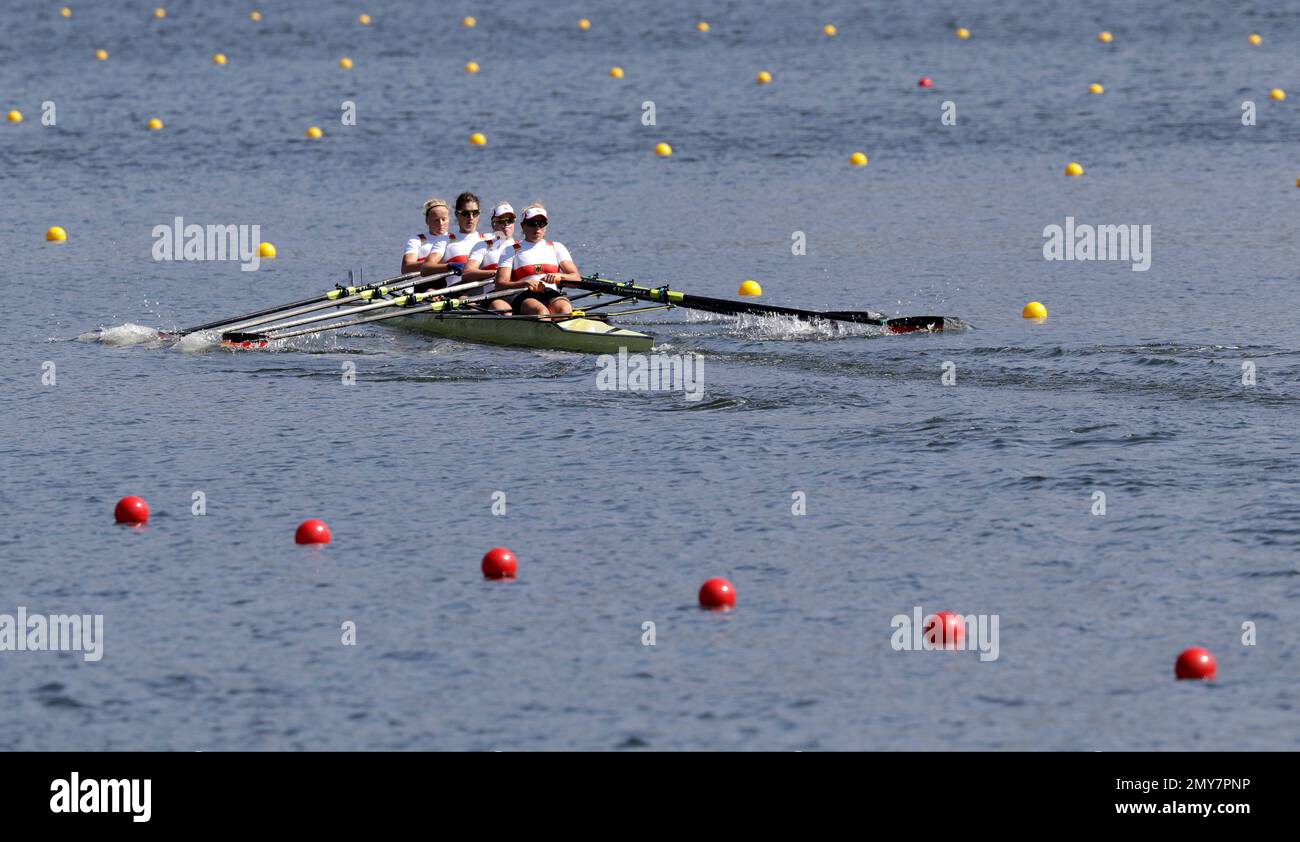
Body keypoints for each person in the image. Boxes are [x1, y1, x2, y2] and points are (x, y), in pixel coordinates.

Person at [492, 204, 581, 317]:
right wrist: (525, 283)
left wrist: (559, 276)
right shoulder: (511, 249)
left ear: (546, 226)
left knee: (564, 309)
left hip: (550, 292)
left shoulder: (556, 247)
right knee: (541, 312)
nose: (537, 228)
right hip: (523, 294)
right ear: (523, 226)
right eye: (532, 223)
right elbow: (500, 285)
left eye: (541, 223)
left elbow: (576, 279)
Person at [461, 202, 518, 312]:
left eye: (509, 221)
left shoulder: (520, 246)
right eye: (501, 221)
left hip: (517, 293)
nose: (506, 224)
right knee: (504, 311)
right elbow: (467, 274)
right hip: (492, 296)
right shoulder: (483, 246)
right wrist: (496, 273)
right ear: (493, 224)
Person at [401, 198, 450, 276]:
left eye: (444, 219)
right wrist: (435, 265)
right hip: (424, 283)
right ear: (427, 221)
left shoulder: (455, 238)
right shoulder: (417, 240)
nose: (441, 223)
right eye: (436, 220)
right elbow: (406, 268)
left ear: (449, 219)